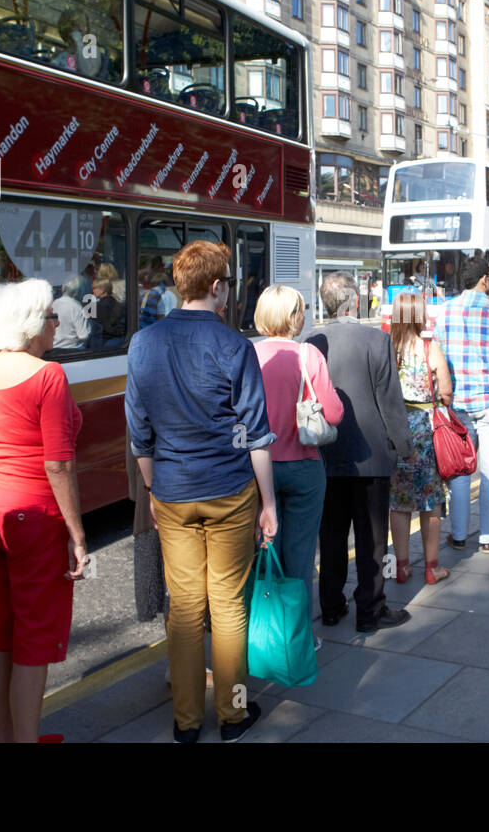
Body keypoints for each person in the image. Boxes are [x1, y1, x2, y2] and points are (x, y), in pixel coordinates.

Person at [126, 241, 277, 743]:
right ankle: (232, 716)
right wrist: (269, 503)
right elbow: (256, 434)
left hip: (171, 490)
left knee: (186, 607)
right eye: (228, 284)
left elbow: (139, 432)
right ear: (217, 288)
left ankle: (186, 722)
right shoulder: (236, 346)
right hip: (229, 491)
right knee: (229, 606)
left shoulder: (143, 344)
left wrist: (153, 486)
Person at [0, 280, 85, 743]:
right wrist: (77, 533)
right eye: (50, 317)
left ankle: (3, 737)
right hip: (34, 517)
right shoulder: (47, 376)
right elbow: (59, 463)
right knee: (33, 634)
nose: (55, 325)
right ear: (29, 325)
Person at [306, 272, 413, 631]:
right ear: (354, 301)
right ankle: (370, 609)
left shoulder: (312, 343)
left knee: (331, 536)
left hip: (326, 453)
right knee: (371, 539)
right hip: (371, 456)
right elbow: (390, 402)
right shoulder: (376, 340)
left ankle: (332, 606)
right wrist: (405, 445)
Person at [254, 285, 343, 644]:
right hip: (305, 467)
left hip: (258, 469)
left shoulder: (248, 354)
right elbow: (334, 413)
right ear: (294, 318)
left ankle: (264, 633)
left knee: (263, 551)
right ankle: (299, 637)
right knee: (301, 556)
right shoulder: (308, 355)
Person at [433, 256, 489, 552]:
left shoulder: (443, 312)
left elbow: (436, 359)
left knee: (459, 470)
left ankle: (458, 534)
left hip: (456, 403)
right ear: (484, 279)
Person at [387, 291, 452, 585]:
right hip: (426, 431)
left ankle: (400, 566)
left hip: (396, 430)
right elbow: (447, 393)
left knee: (399, 502)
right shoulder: (430, 349)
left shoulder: (387, 348)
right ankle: (431, 567)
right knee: (431, 501)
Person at [51, 277, 91, 350]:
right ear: (77, 292)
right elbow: (83, 335)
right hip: (72, 348)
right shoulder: (77, 307)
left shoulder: (54, 304)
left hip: (54, 347)